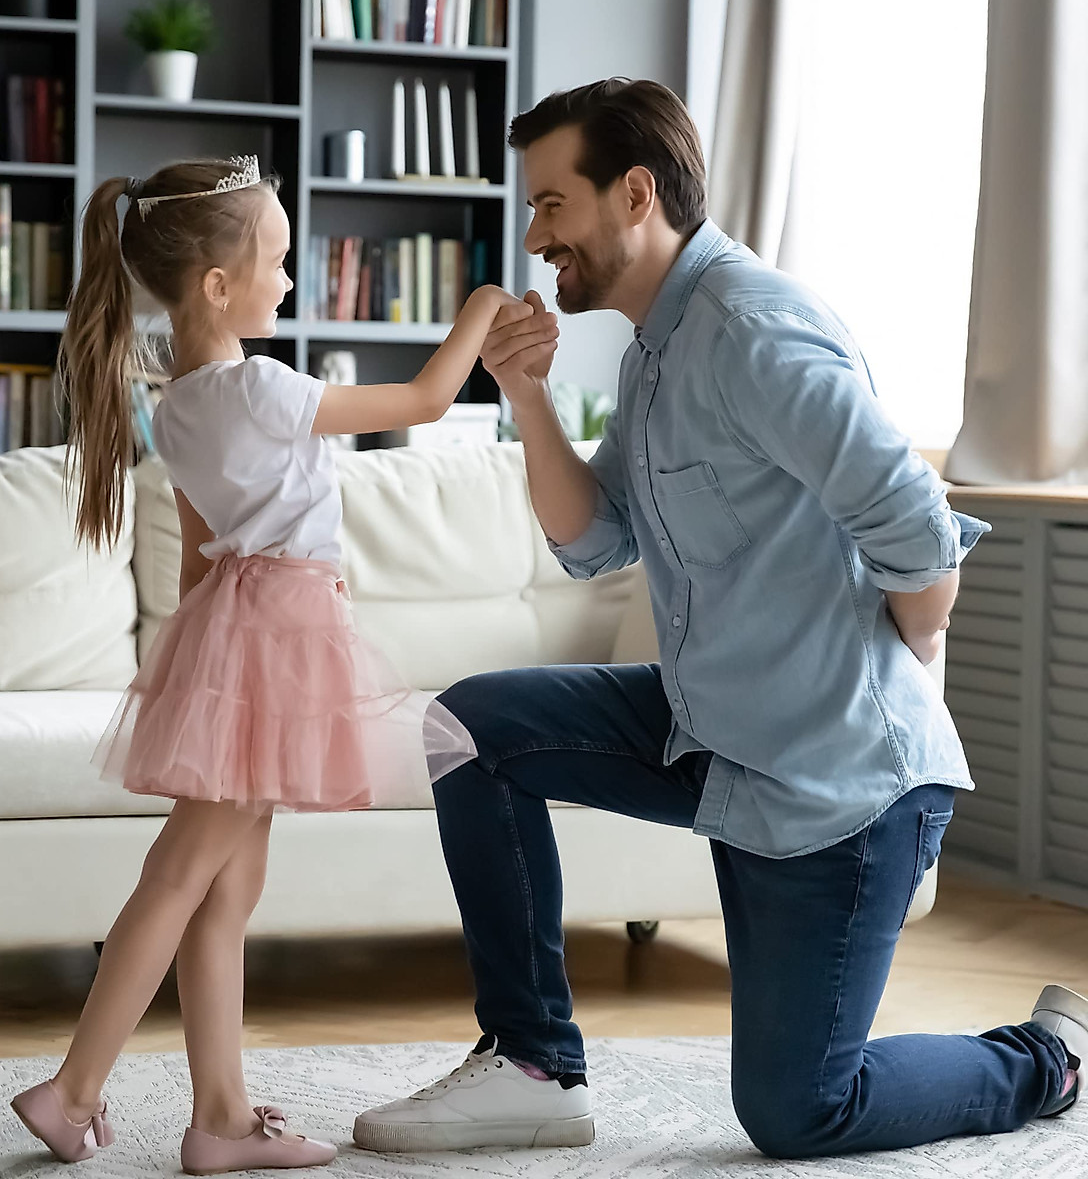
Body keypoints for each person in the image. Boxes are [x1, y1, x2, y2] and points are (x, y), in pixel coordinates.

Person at [353, 79, 1087, 1159]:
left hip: (835, 787)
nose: (536, 235)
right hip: (714, 735)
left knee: (799, 1111)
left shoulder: (752, 328)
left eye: (552, 204)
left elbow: (919, 529)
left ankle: (1048, 1059)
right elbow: (597, 540)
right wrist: (528, 393)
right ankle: (533, 1064)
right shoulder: (656, 347)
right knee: (474, 729)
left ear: (634, 193)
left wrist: (912, 655)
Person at [9, 155, 553, 1175]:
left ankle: (220, 1117)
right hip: (282, 631)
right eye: (280, 260)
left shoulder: (176, 404)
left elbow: (198, 552)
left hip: (235, 628)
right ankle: (72, 1089)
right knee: (184, 874)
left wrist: (201, 677)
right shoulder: (261, 386)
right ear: (220, 286)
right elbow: (427, 399)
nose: (292, 280)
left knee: (228, 885)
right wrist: (483, 304)